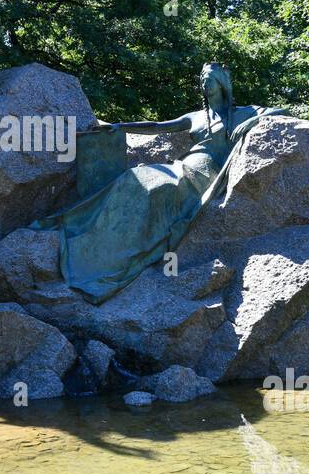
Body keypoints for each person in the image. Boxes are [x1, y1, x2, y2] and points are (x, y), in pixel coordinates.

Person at [31, 62, 287, 303]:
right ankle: (84, 232)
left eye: (209, 80)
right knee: (134, 178)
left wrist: (252, 122)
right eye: (202, 80)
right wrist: (120, 126)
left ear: (221, 84)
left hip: (205, 174)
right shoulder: (196, 117)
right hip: (183, 166)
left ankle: (120, 254)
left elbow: (280, 111)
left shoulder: (241, 113)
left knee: (160, 190)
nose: (204, 85)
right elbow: (156, 126)